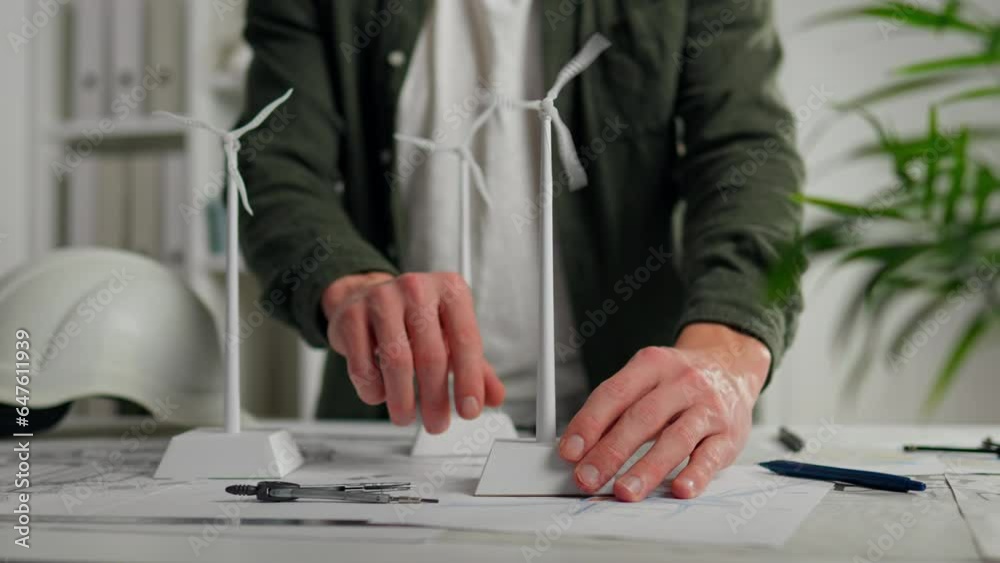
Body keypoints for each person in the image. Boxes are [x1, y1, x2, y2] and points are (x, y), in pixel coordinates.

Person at [236, 0, 805, 502]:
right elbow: (274, 165)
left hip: (639, 438)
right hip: (389, 437)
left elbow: (746, 159)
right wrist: (349, 285)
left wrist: (727, 351)